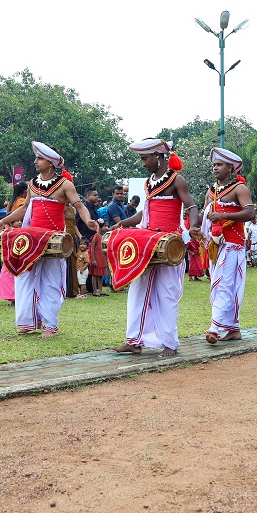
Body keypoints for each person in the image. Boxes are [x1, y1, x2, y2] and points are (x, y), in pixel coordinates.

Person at [0, 141, 97, 337]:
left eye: (40, 158)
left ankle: (51, 325)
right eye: (36, 158)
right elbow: (24, 209)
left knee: (51, 280)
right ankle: (29, 321)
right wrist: (1, 221)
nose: (36, 161)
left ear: (51, 162)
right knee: (25, 277)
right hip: (31, 239)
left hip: (52, 238)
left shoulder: (65, 184)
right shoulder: (32, 183)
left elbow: (79, 206)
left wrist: (88, 220)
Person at [108, 139, 199, 355]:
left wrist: (193, 227)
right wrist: (123, 223)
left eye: (145, 158)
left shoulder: (177, 180)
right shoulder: (149, 182)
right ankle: (134, 341)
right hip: (147, 241)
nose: (143, 163)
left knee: (167, 292)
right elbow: (144, 213)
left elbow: (192, 206)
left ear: (158, 156)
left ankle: (169, 343)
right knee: (138, 289)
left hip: (169, 243)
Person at [201, 148, 256, 342]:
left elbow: (250, 214)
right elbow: (204, 215)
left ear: (231, 168)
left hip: (233, 245)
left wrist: (224, 215)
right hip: (215, 247)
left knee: (224, 284)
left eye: (219, 165)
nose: (215, 168)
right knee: (221, 285)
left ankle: (215, 327)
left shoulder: (239, 188)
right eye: (214, 165)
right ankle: (234, 329)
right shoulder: (211, 191)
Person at [0, 181, 28, 304]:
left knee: (9, 266)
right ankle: (17, 295)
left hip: (10, 236)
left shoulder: (10, 203)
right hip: (20, 237)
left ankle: (12, 295)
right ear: (25, 192)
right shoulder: (22, 203)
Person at [78, 187, 108, 296]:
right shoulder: (83, 208)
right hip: (85, 241)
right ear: (88, 196)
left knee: (94, 267)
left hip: (94, 240)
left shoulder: (95, 209)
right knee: (86, 264)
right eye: (94, 195)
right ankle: (86, 289)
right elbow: (76, 223)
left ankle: (95, 289)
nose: (97, 197)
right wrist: (80, 237)